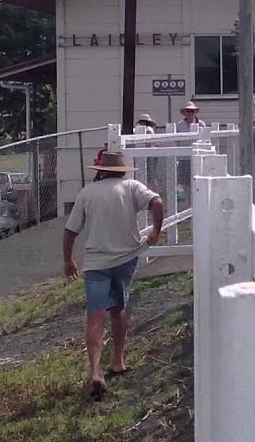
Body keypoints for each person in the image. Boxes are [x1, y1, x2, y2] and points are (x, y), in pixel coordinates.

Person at [62, 151, 164, 400]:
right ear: (122, 171)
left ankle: (96, 370)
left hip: (96, 262)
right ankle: (118, 360)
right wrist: (155, 232)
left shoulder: (87, 193)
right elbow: (157, 203)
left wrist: (68, 259)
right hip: (125, 259)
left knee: (95, 316)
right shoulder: (131, 187)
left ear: (100, 169)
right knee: (119, 309)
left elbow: (71, 230)